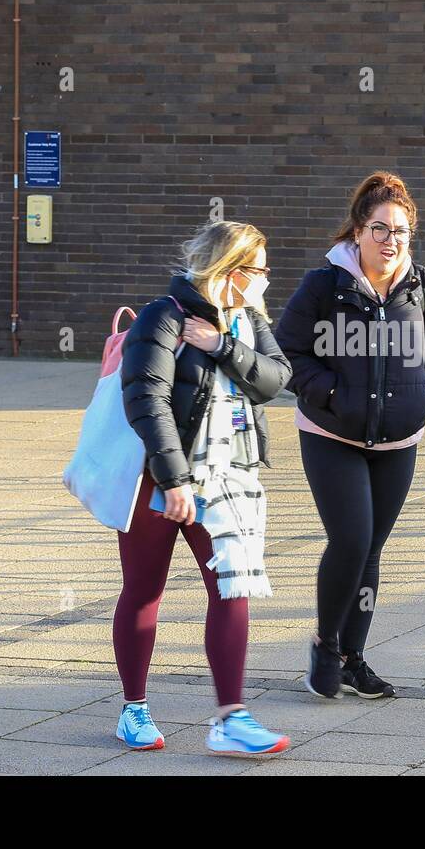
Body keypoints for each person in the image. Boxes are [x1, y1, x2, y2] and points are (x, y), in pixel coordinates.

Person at [275, 171, 425, 700]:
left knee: (373, 548)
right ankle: (325, 646)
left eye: (400, 231)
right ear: (358, 230)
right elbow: (290, 351)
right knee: (351, 539)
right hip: (332, 435)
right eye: (380, 229)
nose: (390, 240)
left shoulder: (420, 286)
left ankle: (354, 659)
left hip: (397, 441)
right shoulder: (324, 284)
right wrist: (330, 395)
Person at [115, 220, 293, 753]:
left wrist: (220, 346)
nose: (266, 280)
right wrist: (173, 480)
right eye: (260, 270)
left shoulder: (247, 322)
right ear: (233, 272)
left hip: (229, 478)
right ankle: (134, 709)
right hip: (161, 479)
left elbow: (274, 380)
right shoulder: (162, 316)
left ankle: (231, 719)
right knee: (145, 589)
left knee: (231, 585)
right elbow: (146, 399)